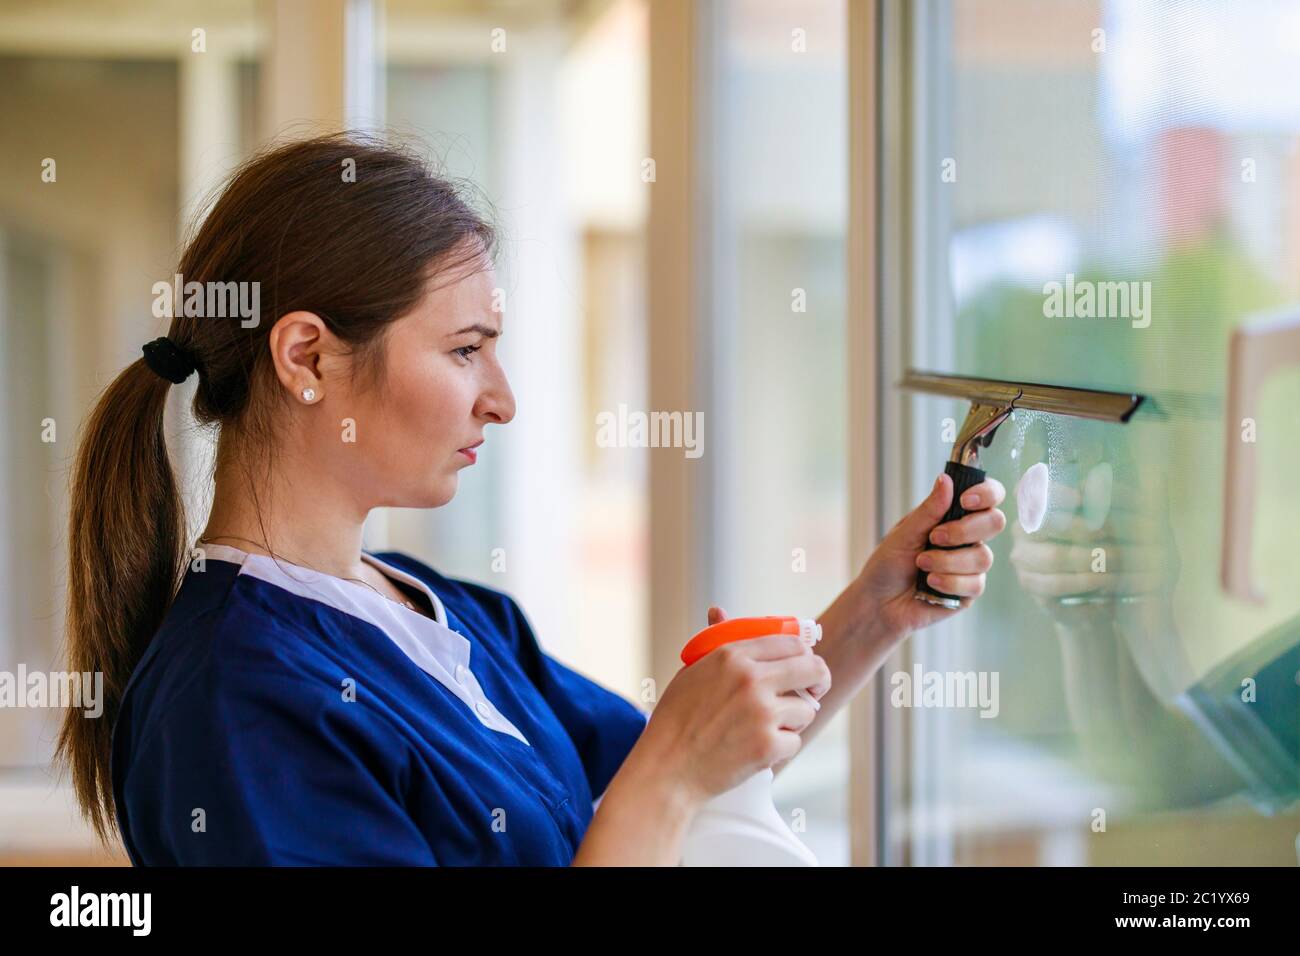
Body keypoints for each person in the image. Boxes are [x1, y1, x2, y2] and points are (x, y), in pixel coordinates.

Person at [56, 133, 1007, 866]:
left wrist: (875, 613)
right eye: (465, 349)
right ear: (307, 356)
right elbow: (663, 788)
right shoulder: (239, 703)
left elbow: (685, 776)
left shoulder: (445, 612)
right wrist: (671, 771)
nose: (501, 399)